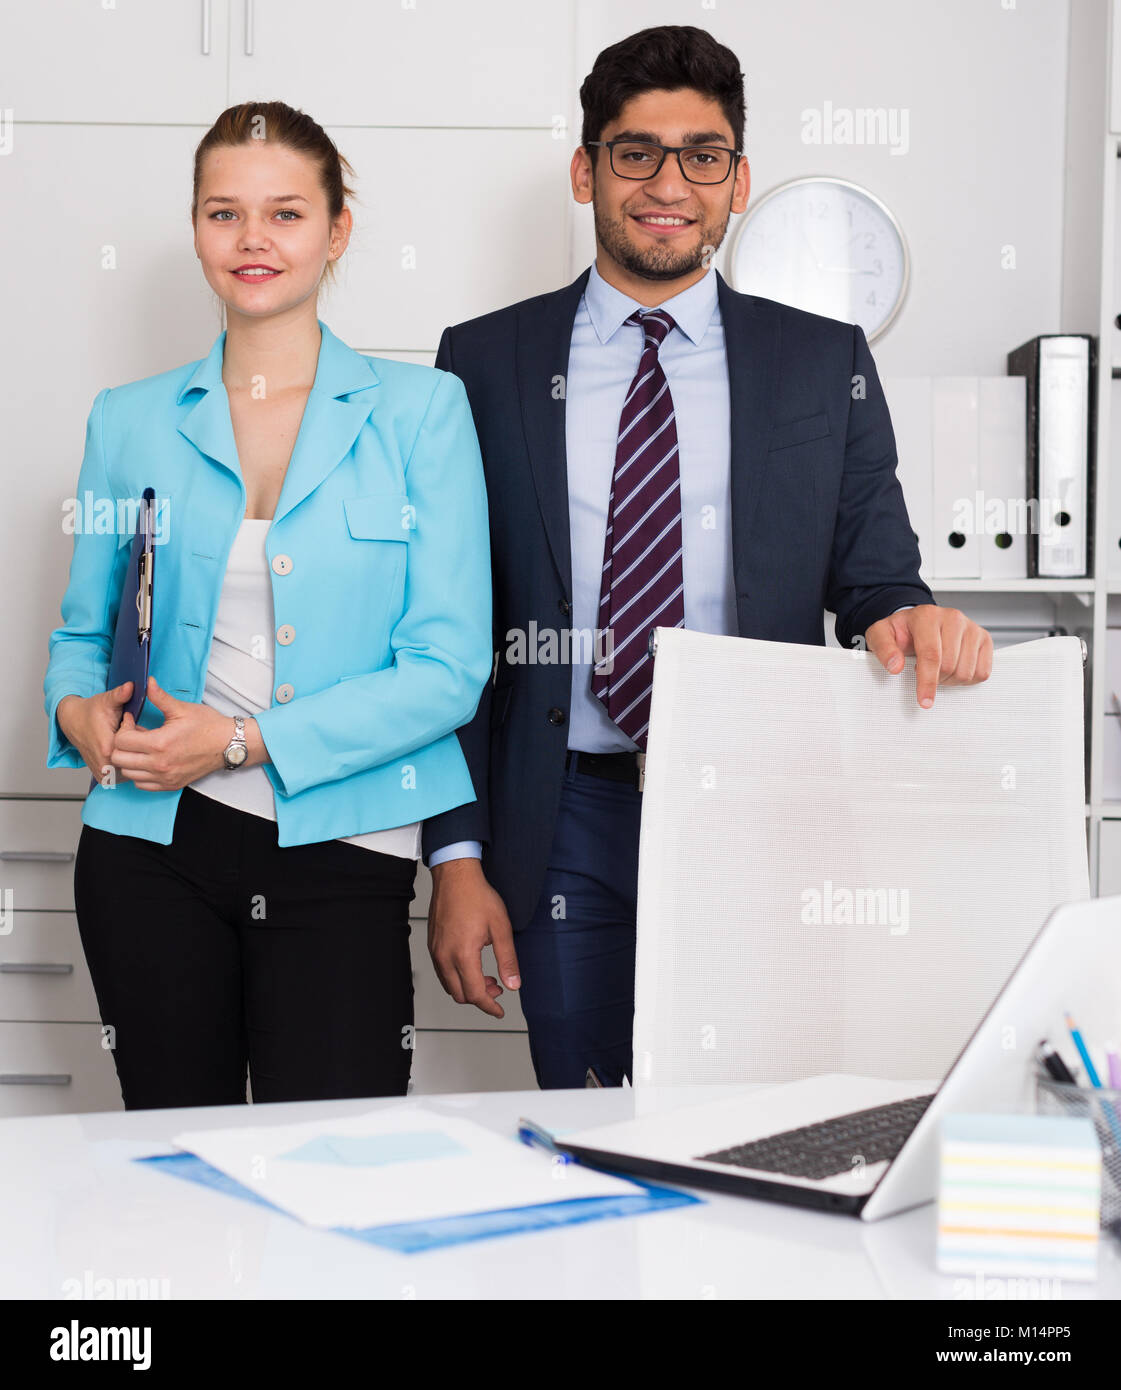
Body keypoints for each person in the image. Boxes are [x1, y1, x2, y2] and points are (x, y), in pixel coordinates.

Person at [422, 25, 993, 1089]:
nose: (667, 182)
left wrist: (908, 619)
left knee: (746, 1123)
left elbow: (875, 577)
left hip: (759, 807)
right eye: (635, 151)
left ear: (737, 180)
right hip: (562, 819)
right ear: (586, 171)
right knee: (588, 1130)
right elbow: (446, 626)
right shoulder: (484, 360)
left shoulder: (823, 362)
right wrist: (455, 855)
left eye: (702, 153)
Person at [43, 101, 492, 1110]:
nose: (252, 240)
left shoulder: (421, 414)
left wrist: (241, 741)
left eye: (285, 214)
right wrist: (84, 718)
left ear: (335, 232)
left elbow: (447, 667)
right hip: (145, 847)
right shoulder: (128, 420)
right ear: (196, 229)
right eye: (223, 213)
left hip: (342, 844)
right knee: (172, 1167)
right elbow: (80, 637)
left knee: (335, 1172)